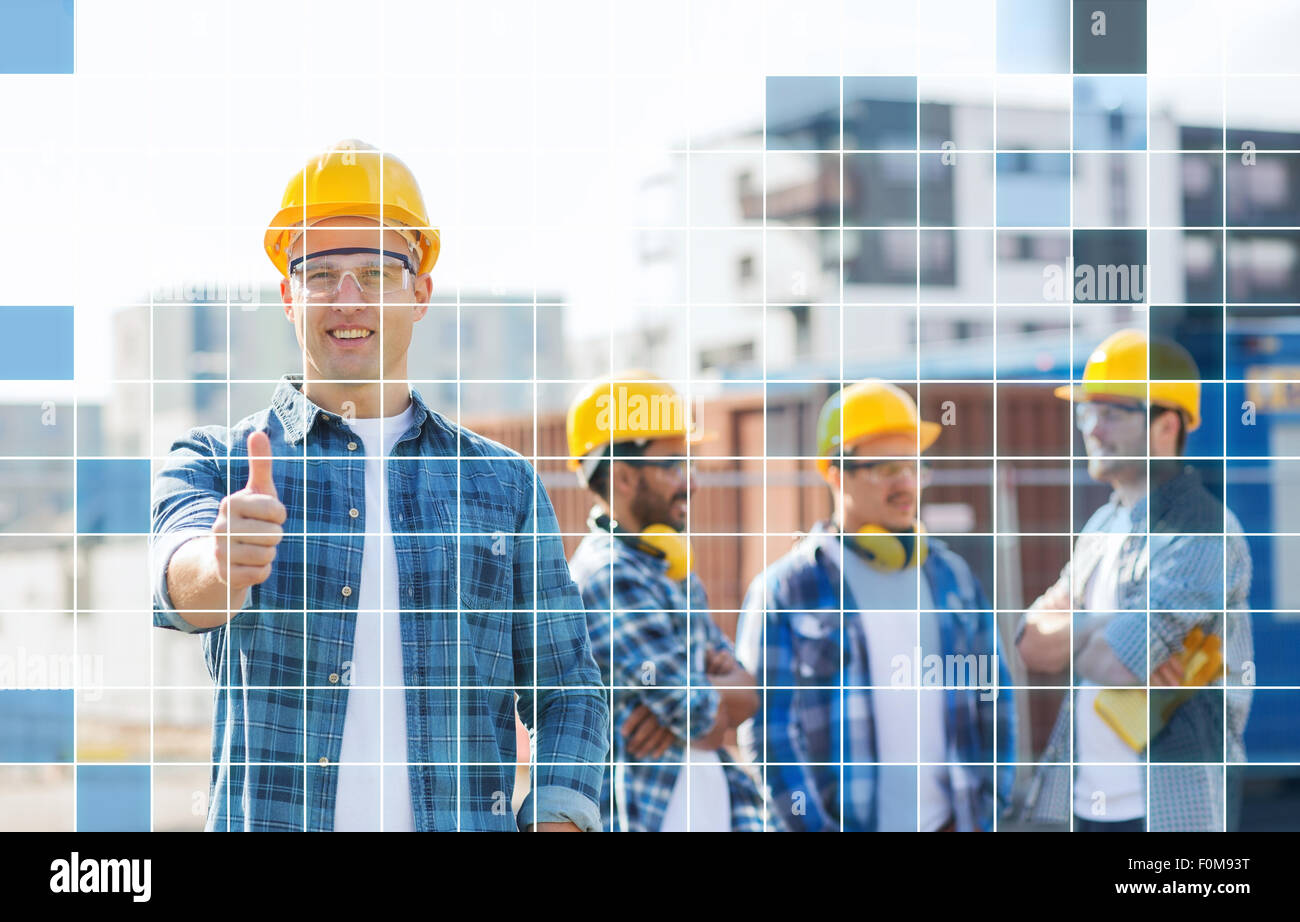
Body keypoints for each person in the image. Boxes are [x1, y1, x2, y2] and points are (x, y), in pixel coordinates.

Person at [150, 140, 607, 831]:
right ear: (287, 295)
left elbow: (568, 688)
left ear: (420, 291)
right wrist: (218, 565)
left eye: (376, 271)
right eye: (320, 273)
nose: (347, 298)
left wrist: (559, 817)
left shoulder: (502, 486)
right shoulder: (218, 462)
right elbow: (172, 579)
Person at [737, 379, 1014, 831]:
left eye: (914, 466)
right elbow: (770, 736)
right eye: (886, 469)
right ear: (835, 473)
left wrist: (985, 813)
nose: (907, 483)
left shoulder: (954, 579)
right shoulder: (786, 590)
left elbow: (994, 698)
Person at [1015, 329, 1253, 832]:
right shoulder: (1102, 525)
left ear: (1166, 424)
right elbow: (1030, 645)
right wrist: (1104, 629)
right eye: (1087, 411)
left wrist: (1079, 631)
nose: (1092, 428)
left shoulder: (1203, 530)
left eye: (1113, 412)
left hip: (1170, 813)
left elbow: (1122, 662)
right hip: (1081, 806)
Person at [565, 373, 772, 831]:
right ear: (621, 476)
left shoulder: (669, 566)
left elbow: (744, 700)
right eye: (674, 464)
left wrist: (700, 705)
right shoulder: (610, 576)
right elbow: (704, 715)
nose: (691, 483)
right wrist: (706, 700)